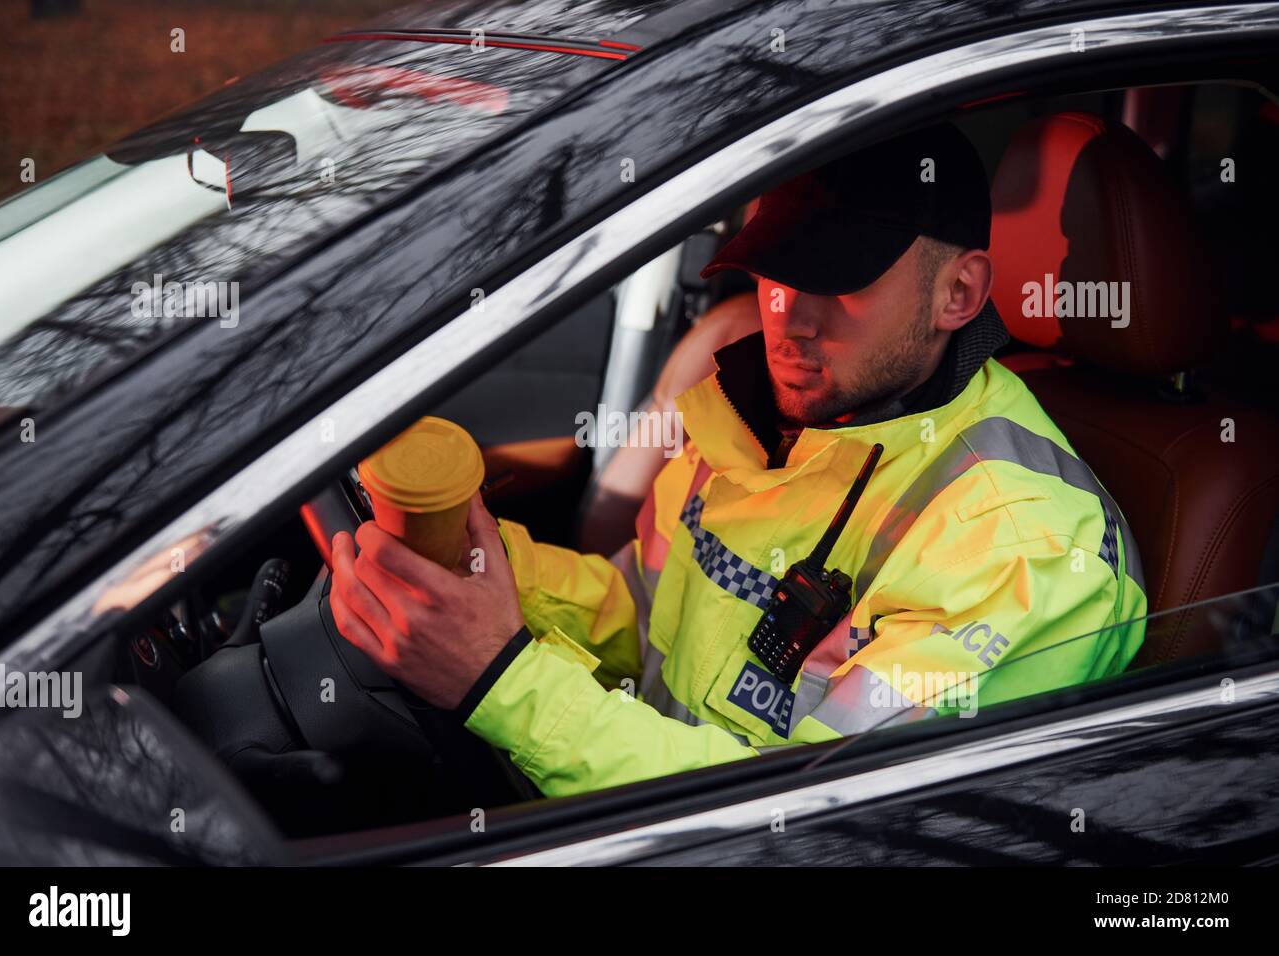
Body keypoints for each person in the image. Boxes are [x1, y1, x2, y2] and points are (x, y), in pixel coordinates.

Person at [328, 124, 1147, 798]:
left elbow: (805, 813)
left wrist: (500, 685)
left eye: (840, 282)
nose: (789, 319)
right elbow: (639, 616)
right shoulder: (759, 424)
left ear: (958, 295)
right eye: (775, 274)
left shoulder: (1018, 549)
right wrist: (472, 561)